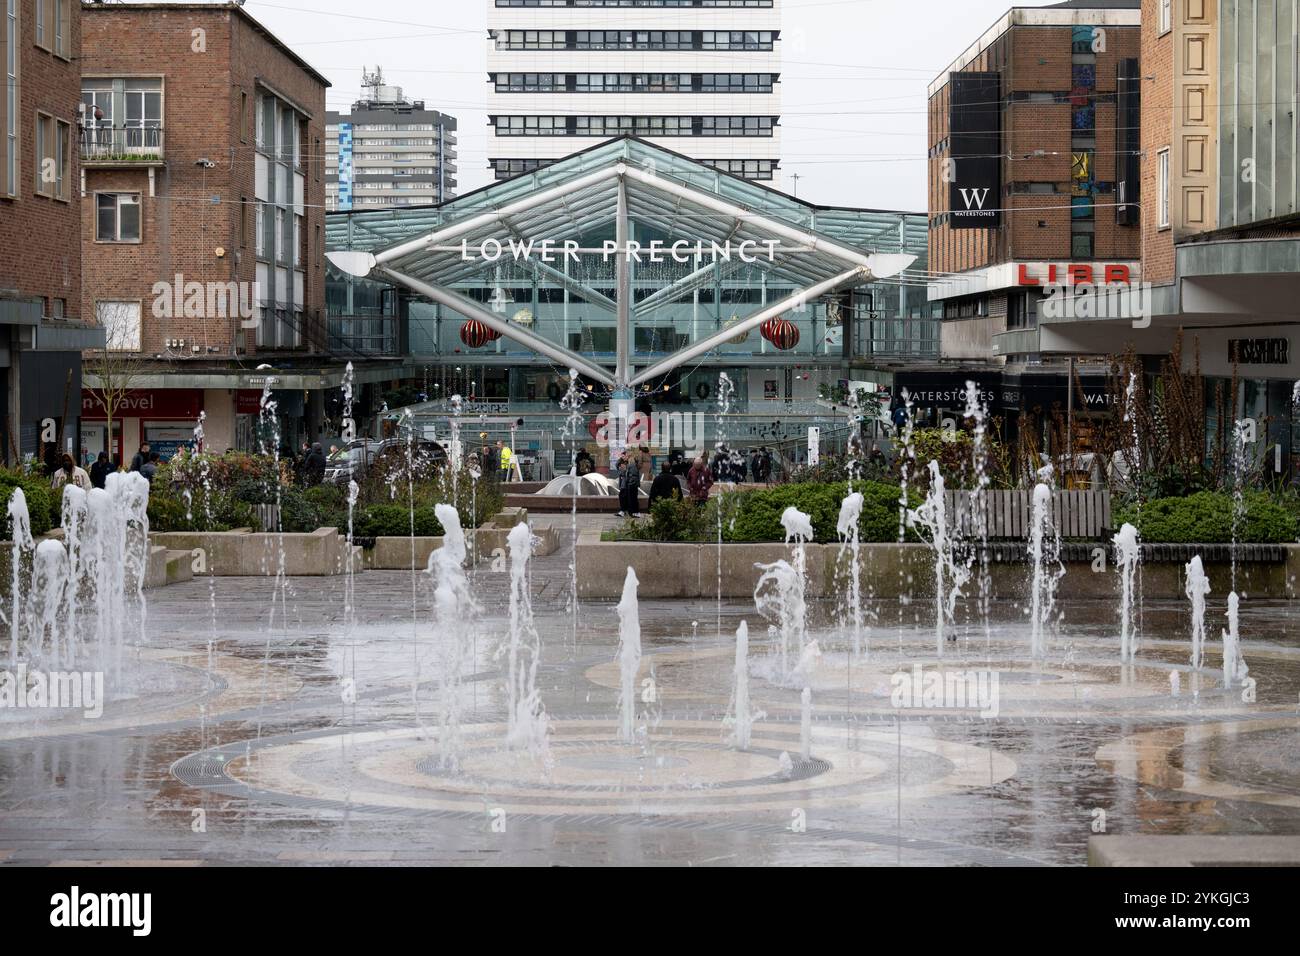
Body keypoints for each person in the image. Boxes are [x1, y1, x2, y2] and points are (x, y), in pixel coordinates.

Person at [616, 451, 641, 517]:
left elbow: (632, 475)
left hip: (630, 484)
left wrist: (629, 482)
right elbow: (617, 466)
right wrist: (620, 459)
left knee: (632, 498)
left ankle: (634, 512)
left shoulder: (632, 464)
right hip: (627, 483)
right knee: (626, 497)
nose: (624, 457)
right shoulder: (626, 463)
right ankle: (627, 511)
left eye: (625, 456)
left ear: (629, 457)